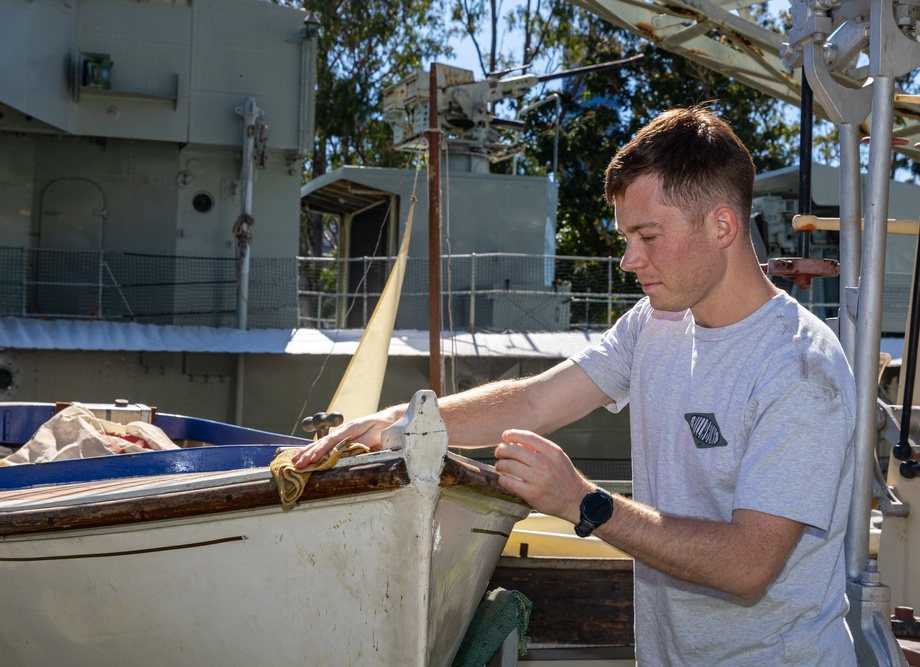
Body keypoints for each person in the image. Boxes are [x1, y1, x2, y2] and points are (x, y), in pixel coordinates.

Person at [293, 105, 857, 665]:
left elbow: (748, 566)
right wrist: (401, 421)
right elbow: (537, 399)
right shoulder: (654, 323)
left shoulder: (802, 369)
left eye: (648, 235)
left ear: (722, 226)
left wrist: (583, 502)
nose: (628, 259)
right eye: (626, 236)